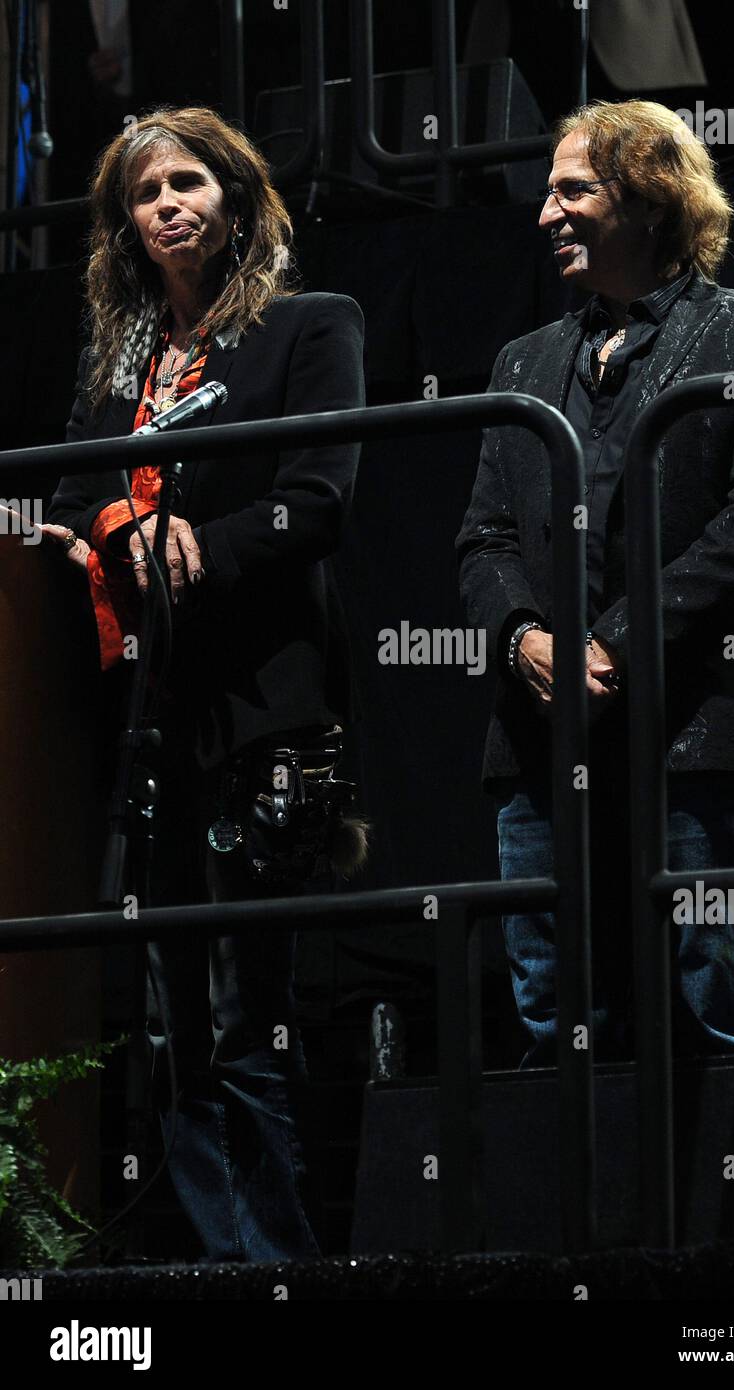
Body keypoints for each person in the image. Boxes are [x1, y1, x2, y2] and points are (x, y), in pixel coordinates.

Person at [45, 106, 366, 1259]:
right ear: (123, 226)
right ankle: (216, 1265)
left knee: (247, 1016)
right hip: (142, 717)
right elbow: (71, 488)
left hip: (262, 702)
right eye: (145, 193)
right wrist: (126, 516)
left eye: (188, 183)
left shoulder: (310, 325)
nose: (168, 204)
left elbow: (320, 495)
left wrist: (200, 541)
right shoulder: (120, 360)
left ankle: (281, 1268)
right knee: (175, 1021)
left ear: (234, 197)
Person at [456, 99, 734, 1068]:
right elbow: (481, 540)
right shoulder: (521, 361)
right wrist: (523, 639)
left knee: (714, 1012)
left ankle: (732, 1221)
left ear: (652, 198)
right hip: (543, 734)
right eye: (545, 192)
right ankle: (575, 1225)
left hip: (699, 727)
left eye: (571, 188)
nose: (545, 213)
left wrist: (611, 638)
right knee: (555, 1019)